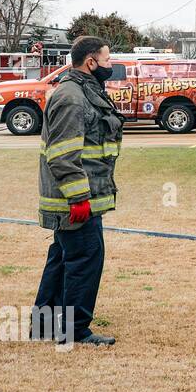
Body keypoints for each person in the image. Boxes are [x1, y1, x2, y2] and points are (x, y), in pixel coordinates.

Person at [31, 36, 124, 345]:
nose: (112, 67)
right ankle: (75, 331)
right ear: (91, 62)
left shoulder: (82, 91)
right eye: (108, 60)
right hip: (75, 202)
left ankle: (44, 326)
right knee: (86, 259)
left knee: (62, 259)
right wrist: (79, 197)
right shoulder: (71, 97)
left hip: (78, 199)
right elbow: (62, 154)